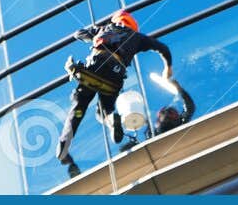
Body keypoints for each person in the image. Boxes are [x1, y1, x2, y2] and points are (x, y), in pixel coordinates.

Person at [56, 9, 175, 167]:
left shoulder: (105, 28)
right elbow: (162, 48)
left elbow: (78, 34)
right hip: (115, 77)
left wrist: (93, 33)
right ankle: (111, 119)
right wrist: (168, 68)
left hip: (95, 68)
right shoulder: (137, 37)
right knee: (104, 110)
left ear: (116, 20)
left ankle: (64, 144)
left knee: (79, 107)